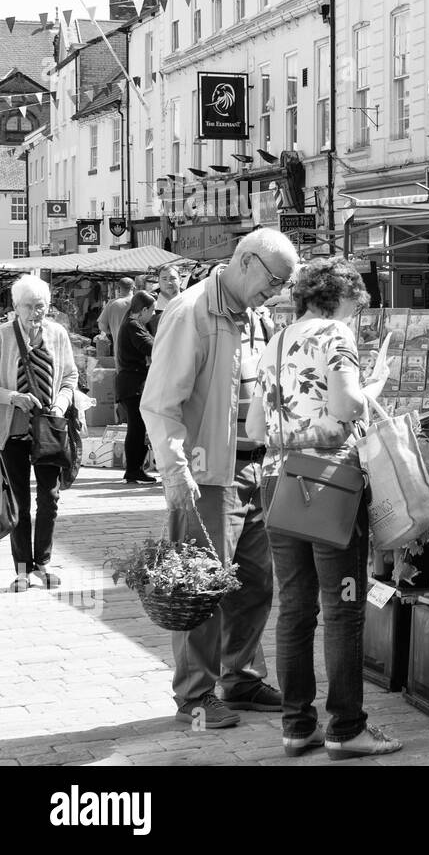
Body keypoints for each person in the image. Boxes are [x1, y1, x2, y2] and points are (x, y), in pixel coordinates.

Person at [141, 228, 300, 730]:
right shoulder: (191, 312)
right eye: (274, 281)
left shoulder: (254, 315)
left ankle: (242, 677)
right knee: (202, 588)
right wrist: (174, 470)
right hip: (208, 473)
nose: (274, 293)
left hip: (253, 466)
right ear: (247, 262)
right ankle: (195, 693)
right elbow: (160, 402)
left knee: (255, 582)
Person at [246, 257, 401, 760]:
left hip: (278, 481)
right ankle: (346, 728)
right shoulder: (335, 334)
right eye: (358, 303)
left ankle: (297, 727)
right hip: (328, 482)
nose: (358, 314)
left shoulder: (276, 340)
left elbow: (253, 430)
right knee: (343, 609)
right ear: (340, 296)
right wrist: (376, 383)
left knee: (294, 608)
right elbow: (347, 407)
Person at [0, 276, 80, 593]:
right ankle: (22, 569)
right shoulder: (3, 336)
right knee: (18, 502)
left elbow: (70, 376)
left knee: (49, 499)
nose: (37, 313)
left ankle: (43, 564)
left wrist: (62, 403)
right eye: (30, 307)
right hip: (14, 431)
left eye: (42, 306)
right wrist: (11, 397)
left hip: (49, 428)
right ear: (16, 307)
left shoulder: (57, 334)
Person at [115, 291, 157, 485]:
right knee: (137, 428)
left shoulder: (133, 324)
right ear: (144, 310)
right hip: (133, 384)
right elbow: (151, 347)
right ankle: (133, 469)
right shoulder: (133, 326)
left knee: (137, 427)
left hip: (132, 384)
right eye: (152, 310)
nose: (153, 314)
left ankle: (135, 469)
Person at [97, 277, 135, 353]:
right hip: (139, 349)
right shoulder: (139, 302)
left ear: (119, 288)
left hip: (119, 350)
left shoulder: (112, 303)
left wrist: (112, 332)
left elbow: (101, 326)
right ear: (133, 287)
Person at [150, 265, 184, 336]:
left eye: (173, 278)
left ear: (180, 280)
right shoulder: (149, 305)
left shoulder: (190, 302)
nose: (169, 282)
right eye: (164, 279)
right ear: (158, 281)